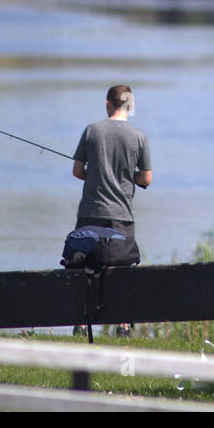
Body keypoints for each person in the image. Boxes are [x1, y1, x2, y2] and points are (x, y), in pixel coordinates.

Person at [71, 84, 151, 337]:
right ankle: (123, 326)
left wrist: (97, 176)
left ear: (108, 104)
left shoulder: (92, 131)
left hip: (90, 212)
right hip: (122, 217)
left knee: (84, 266)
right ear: (131, 106)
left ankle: (82, 324)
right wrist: (128, 178)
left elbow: (77, 171)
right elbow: (146, 179)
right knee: (124, 268)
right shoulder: (139, 137)